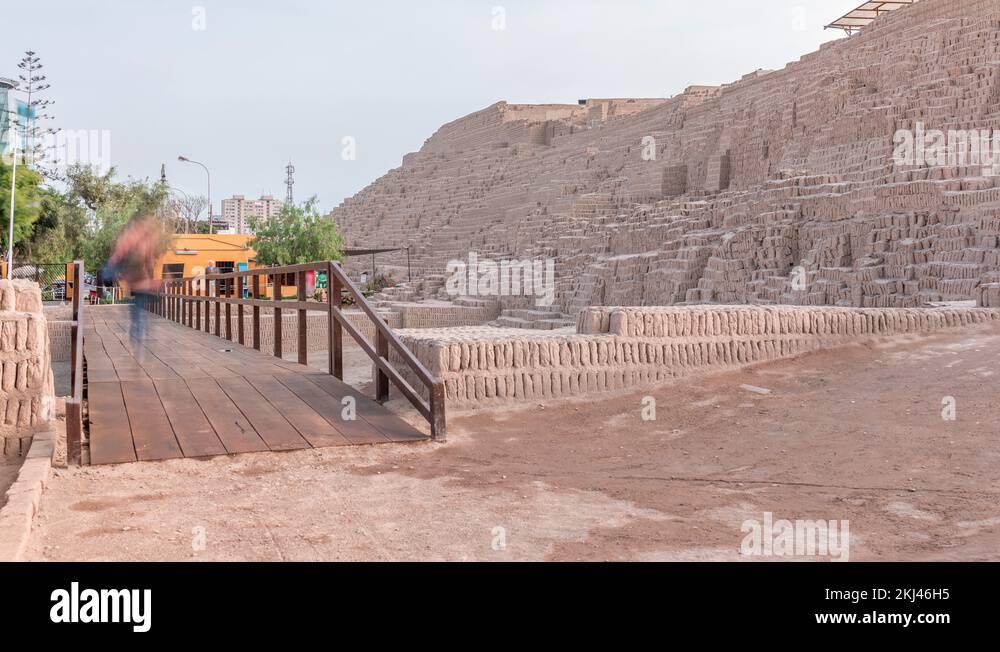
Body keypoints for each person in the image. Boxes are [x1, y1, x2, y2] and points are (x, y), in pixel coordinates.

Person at [106, 215, 171, 347]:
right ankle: (137, 335)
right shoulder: (136, 240)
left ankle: (137, 335)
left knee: (138, 311)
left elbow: (147, 262)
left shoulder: (141, 243)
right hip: (137, 281)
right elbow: (121, 254)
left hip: (138, 283)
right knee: (139, 311)